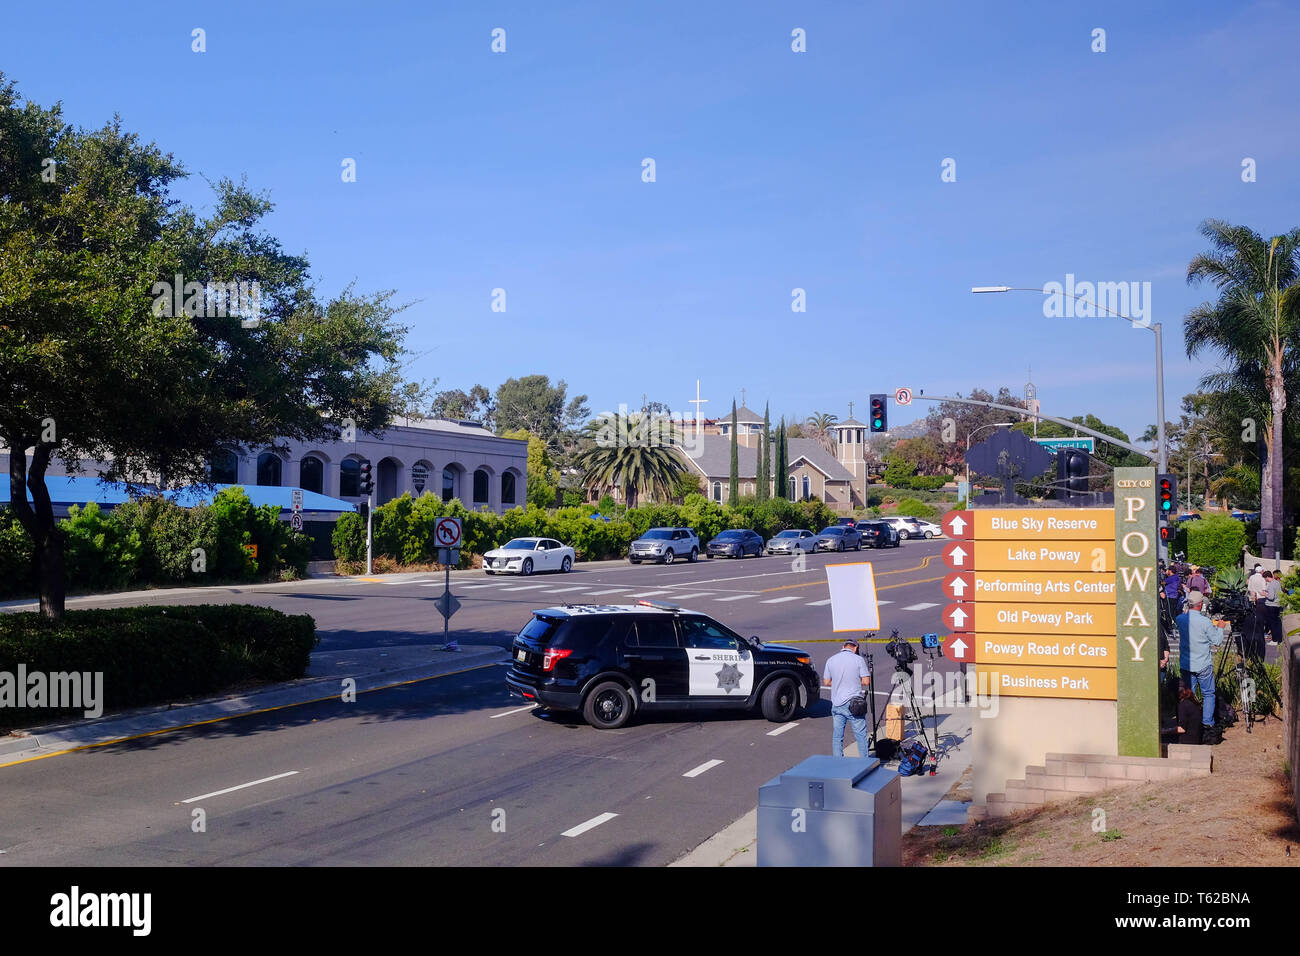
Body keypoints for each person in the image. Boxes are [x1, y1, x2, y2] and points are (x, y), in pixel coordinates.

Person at [1176, 589, 1229, 744]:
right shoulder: (1205, 622)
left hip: (1187, 663)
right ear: (1200, 605)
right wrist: (1220, 627)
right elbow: (1217, 641)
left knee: (1188, 694)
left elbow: (1181, 615)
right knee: (1208, 694)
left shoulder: (1181, 619)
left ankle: (1189, 722)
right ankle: (1207, 723)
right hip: (1203, 663)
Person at [823, 638, 871, 757]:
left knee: (837, 737)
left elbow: (826, 681)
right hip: (854, 704)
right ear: (855, 648)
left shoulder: (831, 660)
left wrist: (840, 682)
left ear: (843, 646)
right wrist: (854, 680)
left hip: (837, 704)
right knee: (860, 735)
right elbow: (866, 681)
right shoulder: (858, 659)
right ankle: (864, 763)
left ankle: (839, 764)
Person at [1263, 571, 1284, 645]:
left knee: (1273, 624)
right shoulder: (1277, 582)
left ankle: (1274, 640)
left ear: (1267, 577)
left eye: (1265, 578)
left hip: (1271, 606)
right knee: (1278, 623)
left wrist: (1265, 594)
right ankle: (1279, 639)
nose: (1265, 580)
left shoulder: (1271, 584)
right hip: (1278, 605)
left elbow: (1271, 597)